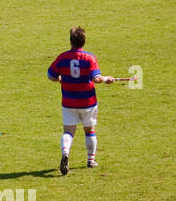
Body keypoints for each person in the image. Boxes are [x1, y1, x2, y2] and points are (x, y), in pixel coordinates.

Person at [47, 26, 121, 175]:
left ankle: (65, 153)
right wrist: (107, 79)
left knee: (68, 131)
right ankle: (90, 160)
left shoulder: (62, 57)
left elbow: (50, 75)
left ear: (70, 41)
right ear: (84, 41)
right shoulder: (89, 58)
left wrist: (59, 78)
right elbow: (97, 79)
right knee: (89, 130)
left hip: (69, 101)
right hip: (88, 102)